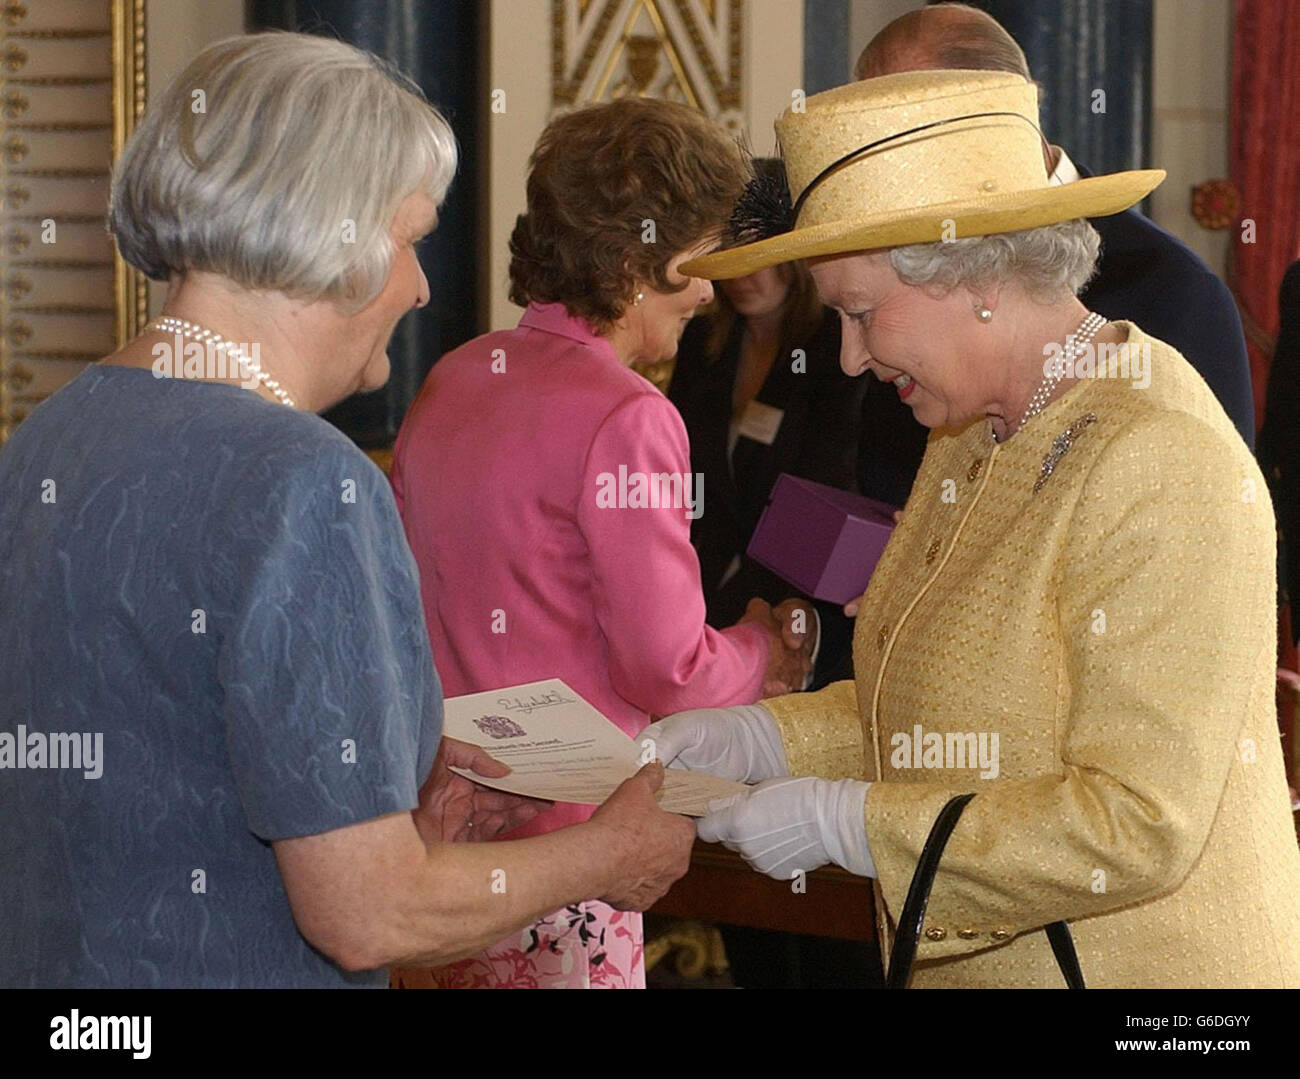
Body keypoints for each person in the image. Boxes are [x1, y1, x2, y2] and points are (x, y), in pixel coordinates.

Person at [0, 32, 696, 989]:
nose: (417, 286)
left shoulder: (52, 432)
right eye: (409, 237)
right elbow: (367, 915)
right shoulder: (298, 476)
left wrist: (403, 811)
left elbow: (168, 769)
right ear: (323, 229)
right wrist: (609, 855)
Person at [648, 69, 1300, 988]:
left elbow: (1139, 820)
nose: (849, 356)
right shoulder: (973, 431)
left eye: (861, 313)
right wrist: (767, 740)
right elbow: (941, 703)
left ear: (977, 276)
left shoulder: (1159, 457)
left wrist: (850, 823)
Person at [390, 98, 813, 989]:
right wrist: (765, 652)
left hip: (436, 835)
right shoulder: (628, 415)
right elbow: (668, 668)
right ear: (633, 259)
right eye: (698, 258)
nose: (709, 289)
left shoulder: (456, 376)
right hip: (568, 850)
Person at [853, 2, 1254, 449]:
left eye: (912, 130)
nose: (890, 161)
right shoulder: (889, 267)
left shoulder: (1171, 285)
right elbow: (880, 455)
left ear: (1009, 112)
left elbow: (1215, 502)